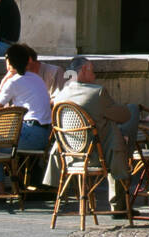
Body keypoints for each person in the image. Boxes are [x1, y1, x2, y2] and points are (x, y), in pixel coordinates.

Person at [44, 55, 138, 217]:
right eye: (93, 71)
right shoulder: (97, 93)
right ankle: (118, 203)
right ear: (84, 70)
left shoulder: (60, 95)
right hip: (97, 156)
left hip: (70, 155)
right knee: (127, 118)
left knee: (110, 129)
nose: (95, 76)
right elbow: (124, 116)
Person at [0, 43, 52, 187]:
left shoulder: (13, 81)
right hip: (45, 135)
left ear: (9, 62)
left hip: (30, 134)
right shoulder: (36, 78)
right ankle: (9, 184)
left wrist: (5, 79)